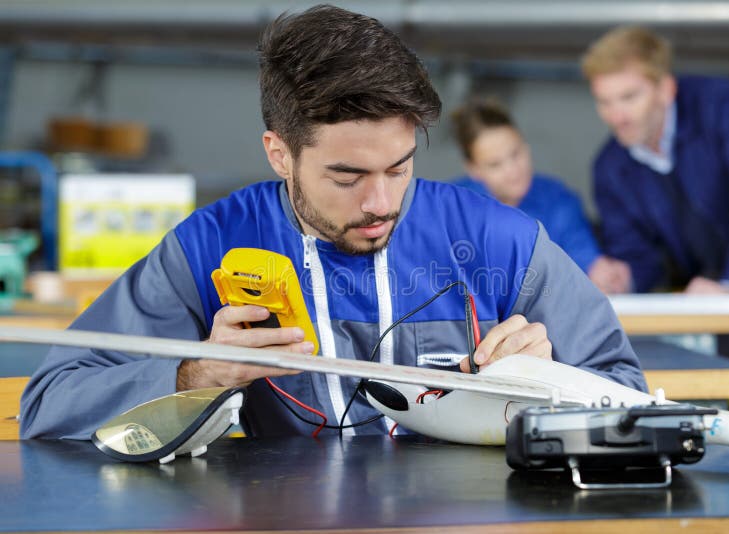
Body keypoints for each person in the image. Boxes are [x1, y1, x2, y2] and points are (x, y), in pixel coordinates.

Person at [19, 6, 645, 440]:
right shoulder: (209, 247)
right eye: (347, 177)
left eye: (399, 168)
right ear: (279, 154)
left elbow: (625, 390)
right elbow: (49, 402)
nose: (381, 201)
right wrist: (194, 374)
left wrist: (548, 379)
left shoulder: (498, 242)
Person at [582, 26, 729, 421]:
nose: (617, 116)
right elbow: (640, 253)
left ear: (665, 89)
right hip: (720, 280)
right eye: (604, 102)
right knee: (689, 367)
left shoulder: (721, 104)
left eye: (629, 97)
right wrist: (624, 276)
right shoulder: (610, 167)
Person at [450, 98, 630, 293]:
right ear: (473, 169)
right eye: (495, 164)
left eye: (515, 153)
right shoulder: (452, 208)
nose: (513, 170)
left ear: (526, 146)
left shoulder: (558, 199)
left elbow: (583, 257)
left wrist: (602, 273)